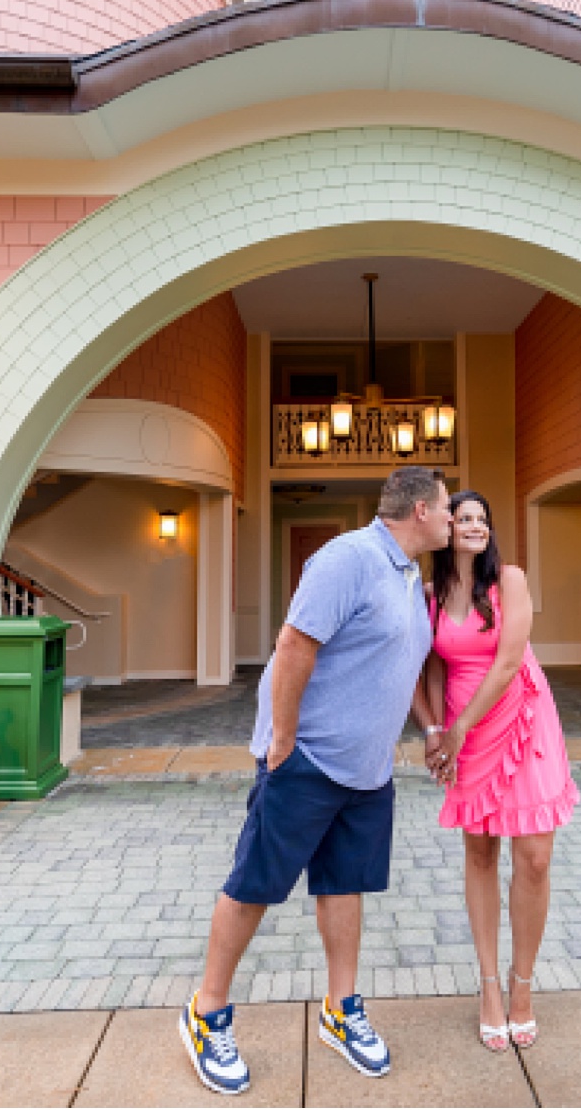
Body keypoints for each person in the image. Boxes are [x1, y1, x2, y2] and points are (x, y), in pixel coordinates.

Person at [181, 466, 453, 1096]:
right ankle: (207, 1012)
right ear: (418, 511)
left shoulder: (410, 574)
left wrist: (431, 726)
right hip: (308, 761)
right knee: (255, 884)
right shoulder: (347, 559)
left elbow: (400, 664)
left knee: (344, 884)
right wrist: (282, 743)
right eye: (445, 508)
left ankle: (340, 1008)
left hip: (367, 769)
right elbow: (295, 645)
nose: (450, 516)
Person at [418, 491, 578, 1053]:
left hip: (523, 721)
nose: (475, 526)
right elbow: (432, 667)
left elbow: (510, 661)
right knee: (480, 854)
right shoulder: (432, 594)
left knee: (533, 858)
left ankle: (523, 985)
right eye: (463, 518)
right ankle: (489, 985)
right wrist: (440, 730)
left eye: (483, 518)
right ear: (445, 529)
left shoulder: (508, 580)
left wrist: (459, 728)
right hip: (465, 734)